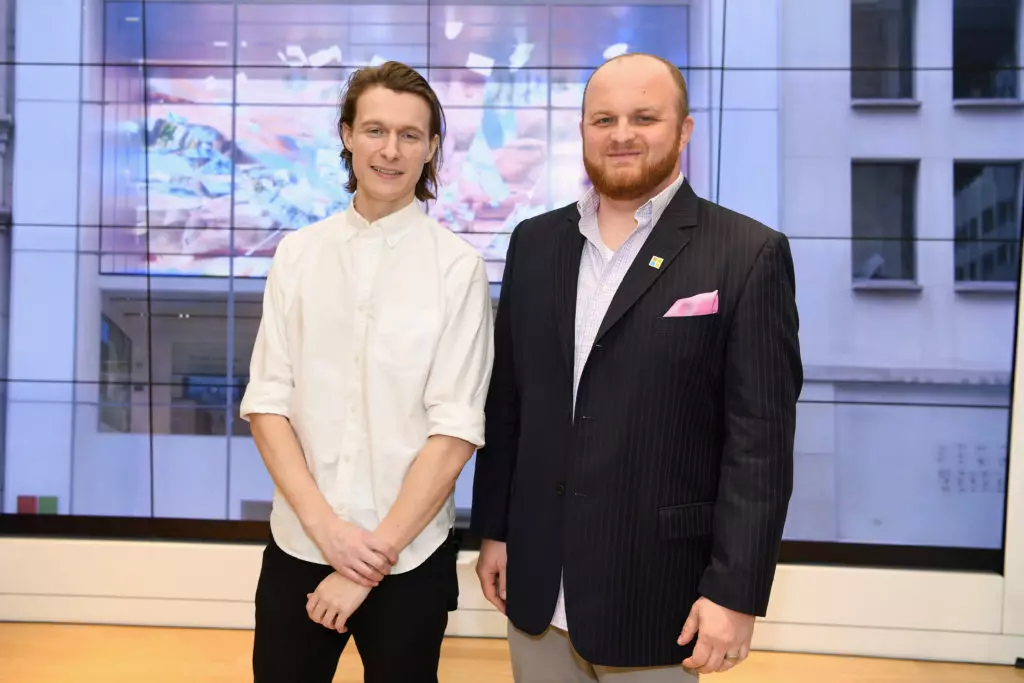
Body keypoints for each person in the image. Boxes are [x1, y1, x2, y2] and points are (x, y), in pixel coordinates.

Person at [471, 52, 802, 681]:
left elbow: (759, 447)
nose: (621, 134)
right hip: (536, 583)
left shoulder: (749, 254)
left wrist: (734, 592)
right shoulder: (534, 244)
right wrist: (495, 531)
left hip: (662, 596)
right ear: (583, 132)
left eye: (644, 117)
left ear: (684, 131)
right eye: (604, 119)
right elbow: (509, 404)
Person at [240, 60, 494, 683]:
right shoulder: (297, 255)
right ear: (347, 135)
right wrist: (329, 535)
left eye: (411, 135)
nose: (391, 150)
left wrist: (366, 564)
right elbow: (268, 404)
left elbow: (455, 431)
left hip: (410, 559)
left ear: (432, 148)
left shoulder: (458, 269)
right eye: (375, 130)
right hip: (300, 545)